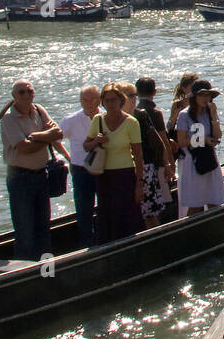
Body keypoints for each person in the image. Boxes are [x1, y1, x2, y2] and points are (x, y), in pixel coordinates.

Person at [0, 80, 65, 260]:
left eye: (29, 91)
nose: (26, 95)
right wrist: (46, 137)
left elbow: (57, 134)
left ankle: (47, 272)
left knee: (44, 228)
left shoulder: (39, 110)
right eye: (21, 92)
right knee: (25, 231)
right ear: (14, 97)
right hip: (20, 178)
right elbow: (24, 147)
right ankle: (23, 272)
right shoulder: (8, 118)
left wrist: (36, 137)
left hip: (41, 175)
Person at [84, 83, 145, 242]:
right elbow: (86, 146)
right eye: (107, 100)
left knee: (128, 214)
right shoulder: (98, 120)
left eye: (114, 100)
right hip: (104, 175)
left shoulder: (131, 122)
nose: (110, 104)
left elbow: (138, 156)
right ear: (102, 102)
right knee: (106, 213)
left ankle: (131, 245)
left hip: (125, 175)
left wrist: (139, 184)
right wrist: (96, 141)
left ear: (121, 100)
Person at [175, 79, 224, 215]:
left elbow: (217, 136)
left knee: (215, 201)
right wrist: (202, 139)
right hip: (193, 162)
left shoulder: (209, 112)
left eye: (208, 95)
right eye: (202, 95)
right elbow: (181, 141)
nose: (206, 98)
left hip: (210, 160)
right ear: (194, 97)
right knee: (195, 204)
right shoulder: (184, 115)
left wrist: (214, 116)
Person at [59, 86, 101, 247]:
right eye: (85, 99)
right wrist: (68, 157)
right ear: (80, 100)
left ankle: (104, 239)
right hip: (81, 169)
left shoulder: (106, 117)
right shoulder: (71, 120)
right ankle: (86, 244)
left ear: (99, 100)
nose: (89, 103)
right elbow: (56, 139)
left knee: (105, 207)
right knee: (84, 209)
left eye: (92, 99)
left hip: (103, 167)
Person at [135, 77, 175, 224]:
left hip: (142, 164)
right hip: (155, 163)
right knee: (158, 203)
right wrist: (170, 163)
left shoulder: (134, 112)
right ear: (155, 92)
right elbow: (163, 140)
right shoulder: (154, 113)